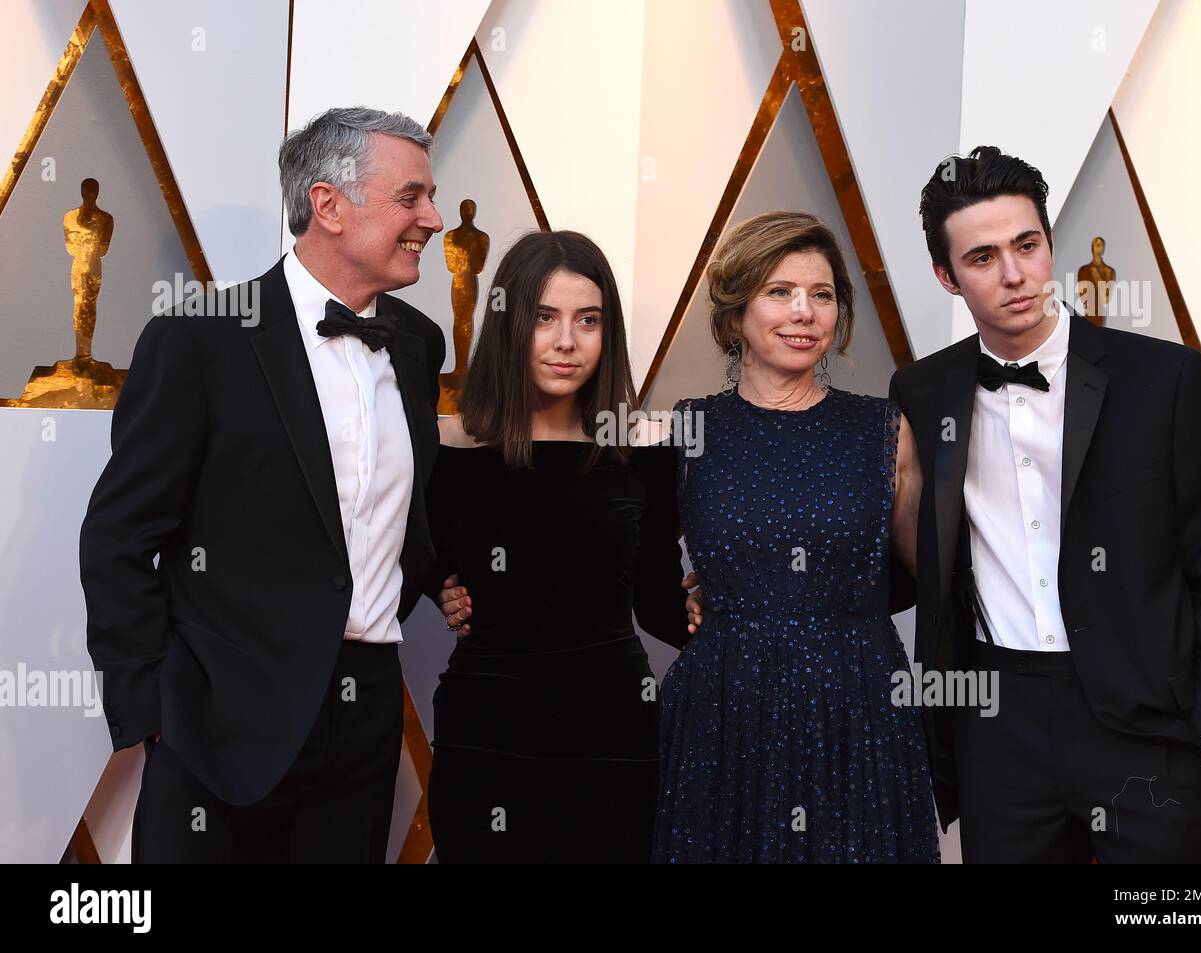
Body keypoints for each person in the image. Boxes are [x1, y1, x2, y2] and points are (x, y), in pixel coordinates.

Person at [80, 107, 447, 862]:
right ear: (329, 204)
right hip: (220, 717)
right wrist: (152, 706)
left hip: (367, 713)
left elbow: (400, 513)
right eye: (411, 197)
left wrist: (444, 580)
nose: (433, 220)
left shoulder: (417, 344)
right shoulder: (200, 340)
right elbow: (119, 536)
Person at [889, 145, 1201, 862]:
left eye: (1027, 245)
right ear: (946, 276)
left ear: (1049, 243)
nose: (1013, 274)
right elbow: (915, 556)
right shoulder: (922, 392)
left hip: (1143, 729)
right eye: (982, 258)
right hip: (996, 728)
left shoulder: (1166, 379)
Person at [651, 210, 939, 863]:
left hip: (856, 707)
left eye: (823, 294)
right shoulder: (689, 428)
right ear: (735, 313)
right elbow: (625, 563)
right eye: (779, 291)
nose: (803, 312)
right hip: (725, 710)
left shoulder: (885, 430)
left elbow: (932, 572)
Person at [430, 230, 693, 862]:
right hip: (483, 734)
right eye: (543, 318)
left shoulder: (647, 449)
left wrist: (729, 615)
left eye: (588, 320)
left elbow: (657, 600)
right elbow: (392, 546)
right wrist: (436, 582)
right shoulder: (445, 446)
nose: (566, 342)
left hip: (615, 735)